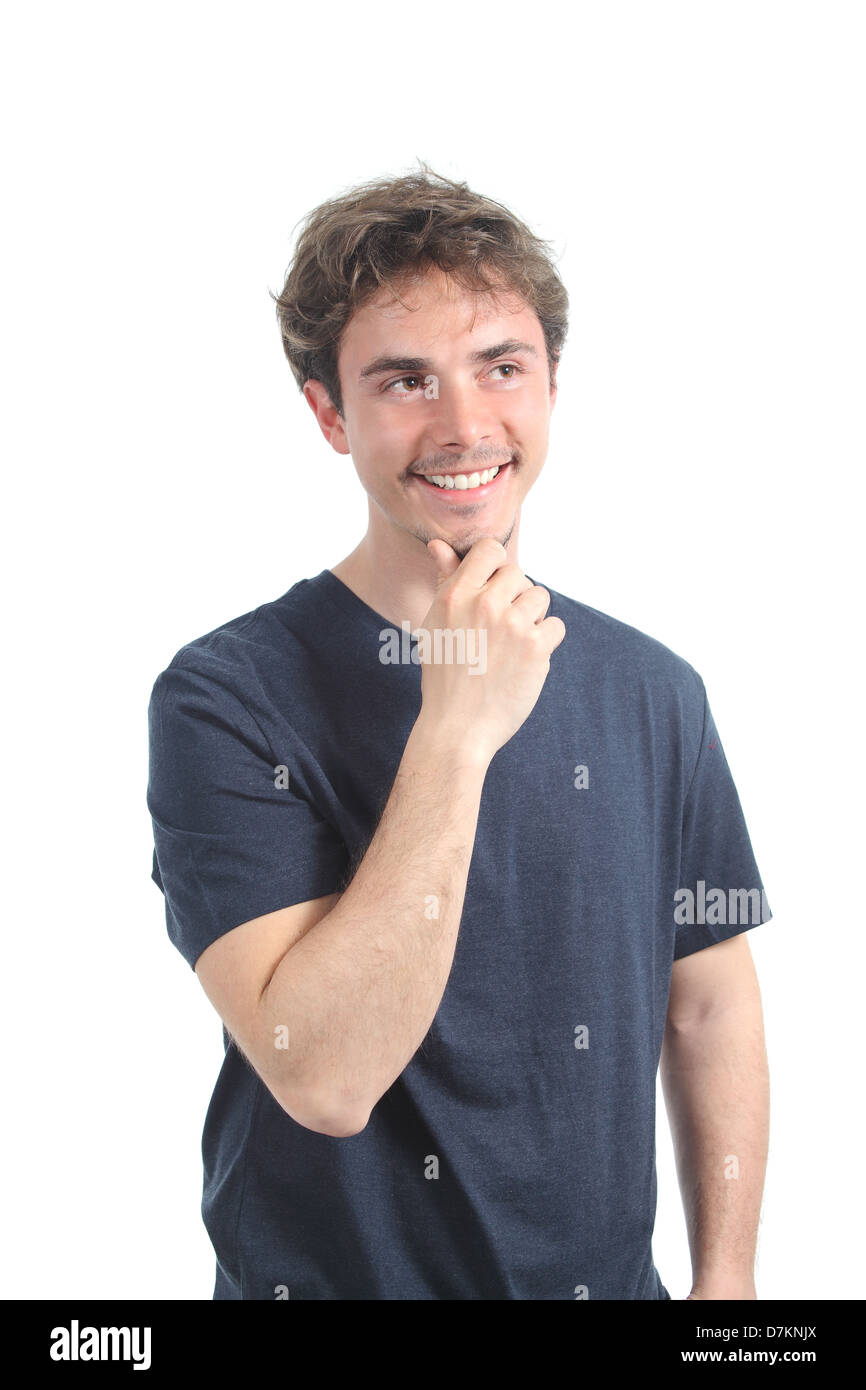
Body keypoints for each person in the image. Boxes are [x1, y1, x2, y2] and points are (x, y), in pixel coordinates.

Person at [147, 165, 773, 1301]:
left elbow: (710, 998)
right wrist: (455, 726)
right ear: (327, 413)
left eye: (500, 367)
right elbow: (325, 1076)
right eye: (403, 381)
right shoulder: (223, 698)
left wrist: (724, 1290)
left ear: (548, 386)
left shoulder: (652, 689)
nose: (465, 423)